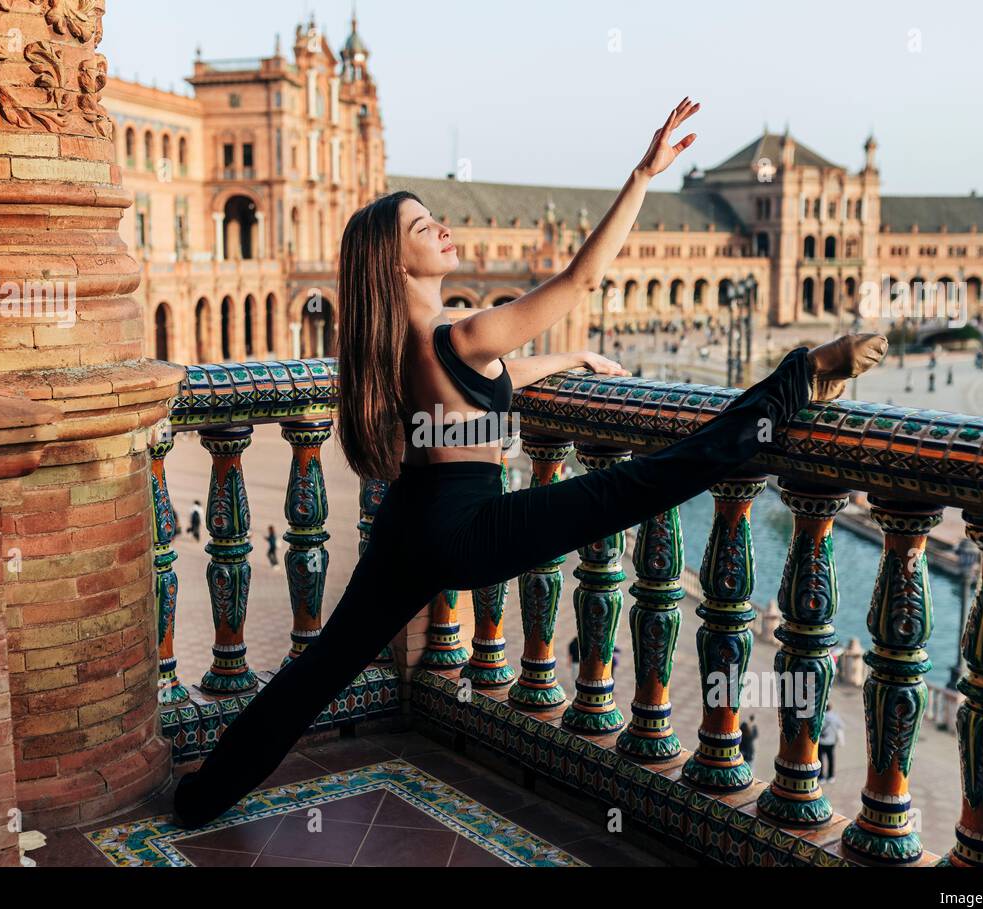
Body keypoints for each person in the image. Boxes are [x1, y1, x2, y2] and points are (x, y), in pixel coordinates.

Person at [171, 96, 888, 829]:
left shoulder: (409, 337)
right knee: (655, 477)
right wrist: (642, 175)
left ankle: (201, 799)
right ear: (395, 259)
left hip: (409, 525)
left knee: (317, 673)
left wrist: (569, 356)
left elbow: (490, 377)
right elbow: (578, 281)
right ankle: (801, 377)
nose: (442, 228)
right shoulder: (458, 333)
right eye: (424, 227)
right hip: (467, 529)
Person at [820, 701, 845, 782]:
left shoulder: (820, 717)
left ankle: (821, 777)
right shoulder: (835, 717)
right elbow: (841, 726)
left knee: (820, 760)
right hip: (831, 742)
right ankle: (831, 776)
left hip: (821, 742)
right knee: (831, 759)